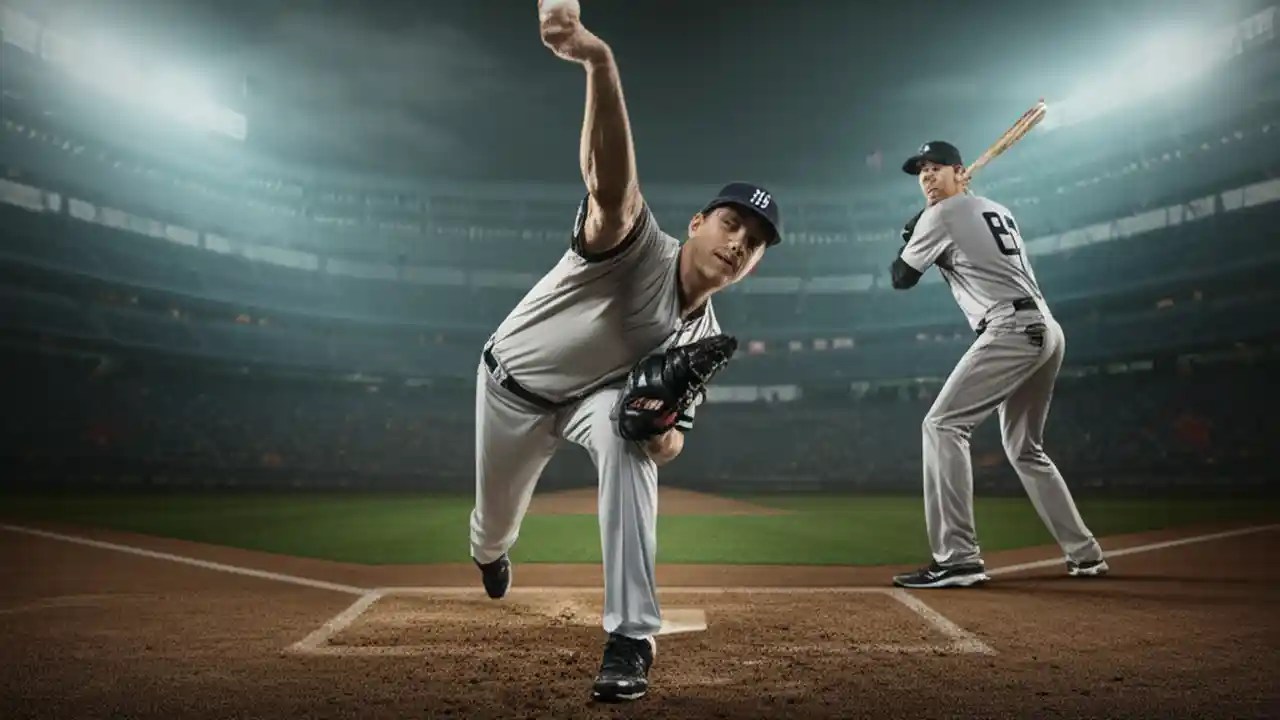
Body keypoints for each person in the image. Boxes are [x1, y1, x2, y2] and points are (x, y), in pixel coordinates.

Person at [468, 0, 783, 702]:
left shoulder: (704, 340)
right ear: (698, 223)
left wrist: (659, 421)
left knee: (628, 441)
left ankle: (630, 638)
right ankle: (491, 555)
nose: (738, 245)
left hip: (590, 404)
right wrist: (597, 60)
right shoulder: (634, 244)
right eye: (732, 225)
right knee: (492, 529)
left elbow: (671, 449)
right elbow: (608, 183)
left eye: (754, 244)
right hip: (510, 390)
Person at [887, 140, 1108, 589]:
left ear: (959, 172)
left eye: (936, 168)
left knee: (943, 425)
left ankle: (958, 558)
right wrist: (923, 227)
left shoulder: (940, 215)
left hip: (1009, 327)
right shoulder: (995, 208)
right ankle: (1085, 554)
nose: (926, 177)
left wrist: (914, 233)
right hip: (1044, 328)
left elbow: (901, 278)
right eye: (921, 172)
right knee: (1026, 450)